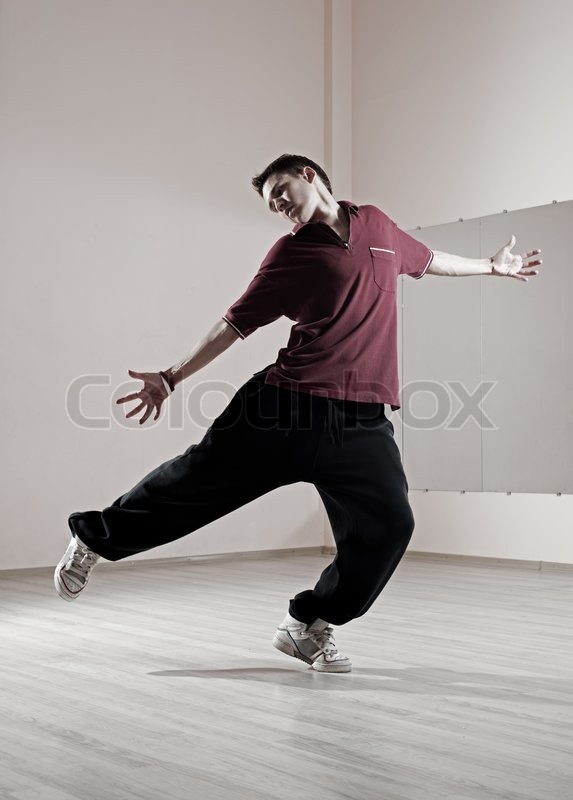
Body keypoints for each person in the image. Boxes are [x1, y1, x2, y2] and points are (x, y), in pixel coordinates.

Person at [54, 154, 542, 673]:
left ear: (308, 174)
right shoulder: (290, 253)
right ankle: (93, 539)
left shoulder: (376, 223)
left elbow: (428, 260)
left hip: (361, 421)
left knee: (389, 525)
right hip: (284, 409)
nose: (279, 206)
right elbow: (235, 323)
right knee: (192, 486)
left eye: (280, 192)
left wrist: (489, 266)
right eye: (271, 204)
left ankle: (308, 626)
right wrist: (172, 377)